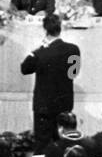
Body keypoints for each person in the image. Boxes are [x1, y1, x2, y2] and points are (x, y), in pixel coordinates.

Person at [21, 14, 81, 144]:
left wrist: (37, 50)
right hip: (65, 103)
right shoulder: (74, 49)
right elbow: (74, 73)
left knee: (43, 143)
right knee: (64, 142)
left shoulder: (39, 53)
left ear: (45, 30)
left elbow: (24, 69)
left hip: (43, 105)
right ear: (60, 29)